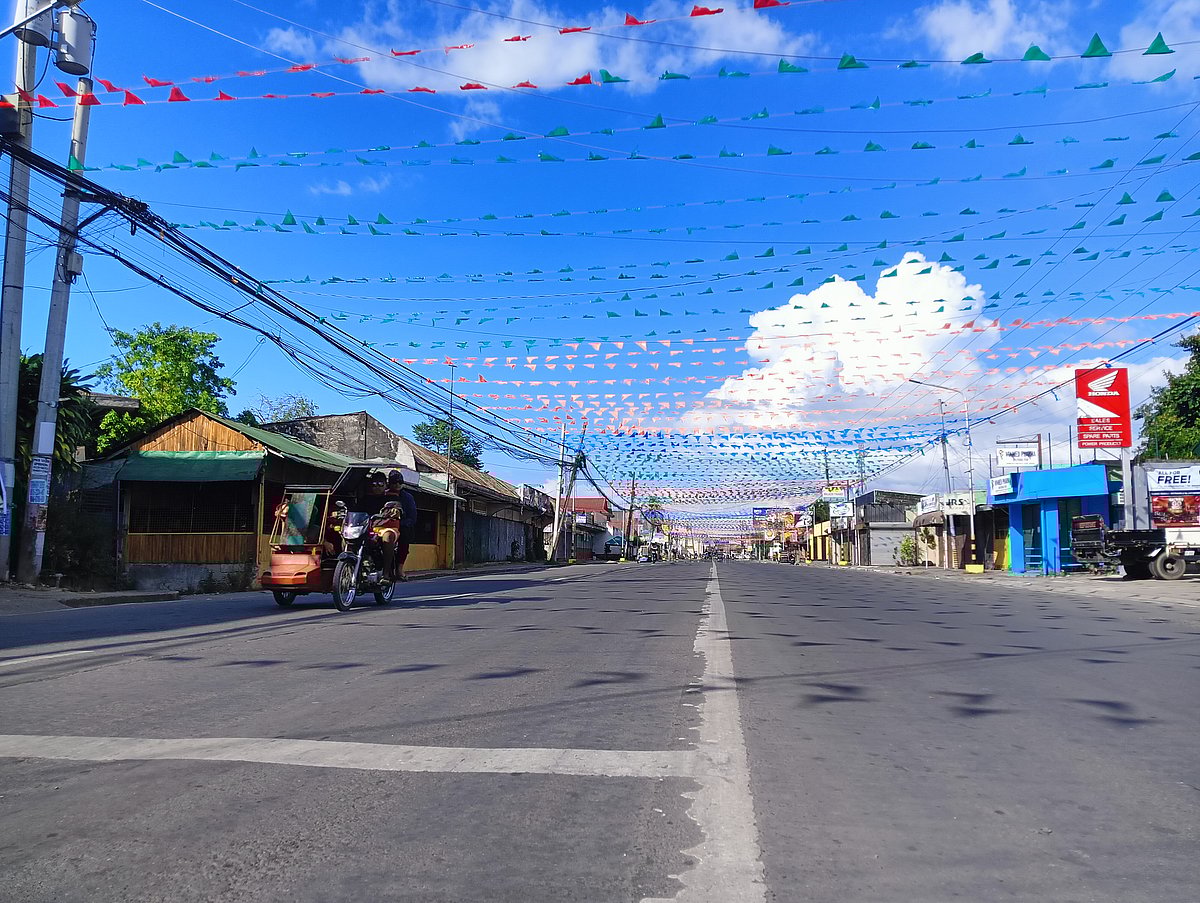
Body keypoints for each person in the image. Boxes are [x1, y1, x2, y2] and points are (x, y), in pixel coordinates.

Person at [355, 471, 401, 585]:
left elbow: (398, 506)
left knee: (388, 537)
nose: (377, 487)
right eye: (374, 484)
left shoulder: (391, 497)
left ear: (386, 485)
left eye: (380, 484)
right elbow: (354, 511)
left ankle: (385, 574)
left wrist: (396, 510)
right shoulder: (364, 499)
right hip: (366, 527)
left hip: (385, 527)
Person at [387, 470, 418, 581]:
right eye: (394, 482)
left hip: (401, 525)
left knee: (404, 541)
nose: (397, 485)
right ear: (389, 483)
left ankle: (399, 568)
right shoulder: (384, 494)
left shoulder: (407, 497)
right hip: (383, 525)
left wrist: (401, 523)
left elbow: (412, 516)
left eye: (400, 482)